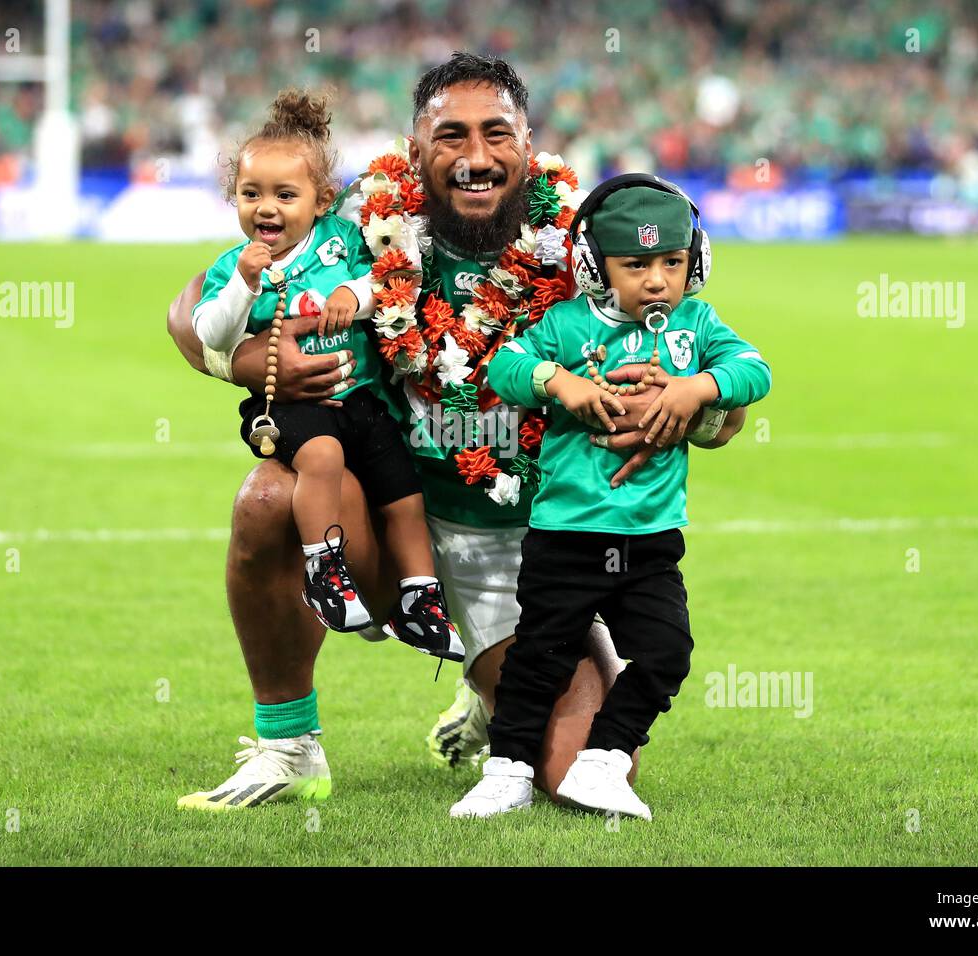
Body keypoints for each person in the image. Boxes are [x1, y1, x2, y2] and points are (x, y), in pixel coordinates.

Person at [166, 54, 750, 810]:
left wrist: (694, 407)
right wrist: (246, 358)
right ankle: (288, 746)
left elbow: (723, 397)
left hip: (537, 550)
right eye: (451, 137)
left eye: (495, 134)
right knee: (268, 498)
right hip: (388, 510)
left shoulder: (585, 254)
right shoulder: (364, 229)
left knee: (581, 773)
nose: (476, 158)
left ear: (529, 146)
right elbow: (187, 311)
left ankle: (489, 689)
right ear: (415, 152)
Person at [450, 175, 772, 820]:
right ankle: (506, 769)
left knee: (666, 652)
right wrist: (558, 382)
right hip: (566, 532)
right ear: (595, 267)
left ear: (696, 262)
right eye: (636, 265)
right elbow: (504, 366)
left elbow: (755, 370)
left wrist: (697, 388)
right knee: (540, 656)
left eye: (673, 263)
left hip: (651, 537)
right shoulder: (565, 324)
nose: (657, 280)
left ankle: (606, 760)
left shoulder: (697, 323)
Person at [189, 88, 463, 662]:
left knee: (403, 491)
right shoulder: (232, 266)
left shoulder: (340, 241)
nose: (267, 208)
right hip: (294, 406)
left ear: (320, 202)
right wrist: (244, 285)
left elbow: (381, 284)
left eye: (285, 195)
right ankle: (323, 566)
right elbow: (209, 332)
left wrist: (350, 294)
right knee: (320, 459)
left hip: (361, 400)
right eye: (251, 194)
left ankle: (419, 596)